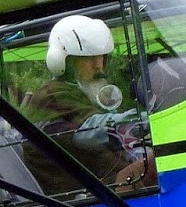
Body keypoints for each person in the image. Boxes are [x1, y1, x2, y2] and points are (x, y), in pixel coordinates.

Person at [22, 15, 154, 194]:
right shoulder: (53, 94)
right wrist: (152, 120)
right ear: (64, 62)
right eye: (88, 58)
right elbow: (90, 131)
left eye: (101, 57)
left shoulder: (79, 95)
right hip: (74, 200)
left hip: (93, 188)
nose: (98, 66)